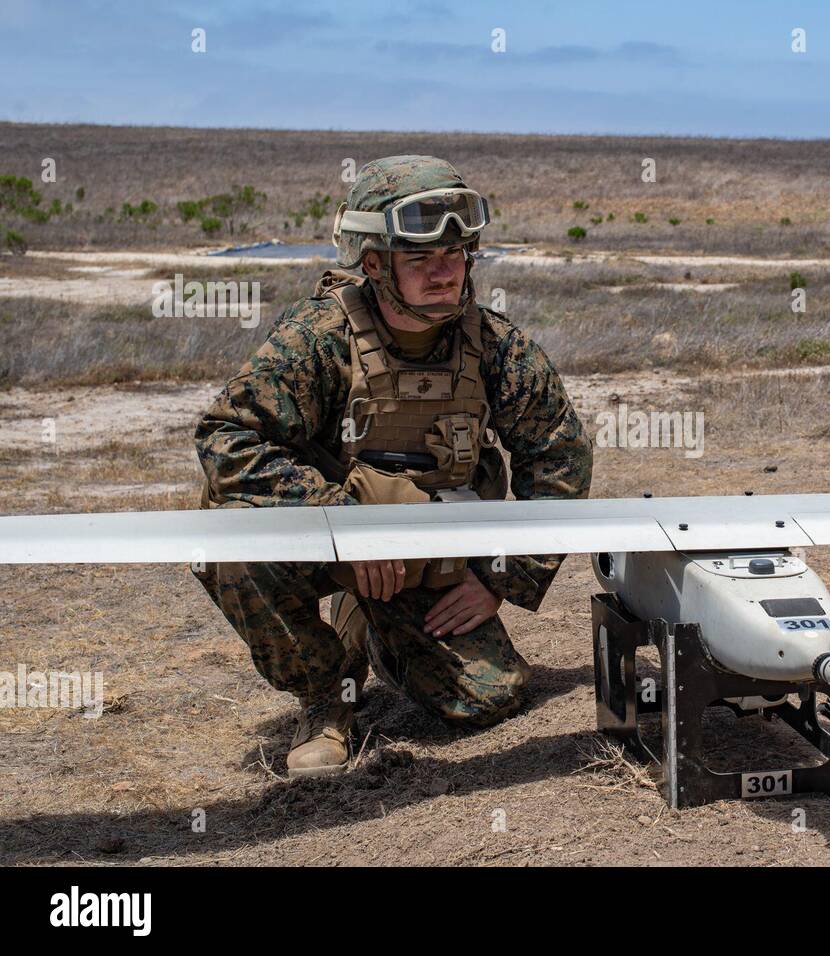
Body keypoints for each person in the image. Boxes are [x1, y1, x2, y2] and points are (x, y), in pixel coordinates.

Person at [192, 155, 593, 777]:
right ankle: (326, 696)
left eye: (456, 256)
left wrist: (501, 577)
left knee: (487, 699)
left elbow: (559, 457)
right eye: (420, 259)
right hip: (326, 542)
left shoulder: (496, 345)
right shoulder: (318, 339)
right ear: (374, 264)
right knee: (229, 543)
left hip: (434, 555)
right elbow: (227, 439)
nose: (443, 272)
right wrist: (345, 527)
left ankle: (377, 621)